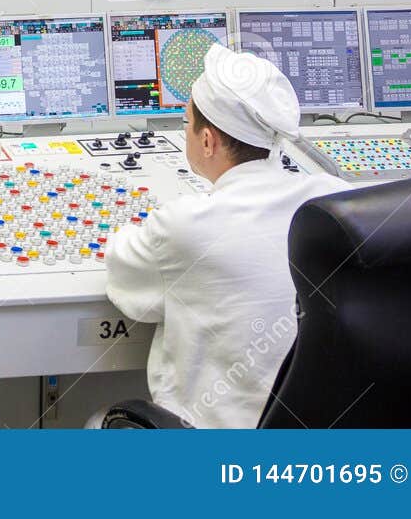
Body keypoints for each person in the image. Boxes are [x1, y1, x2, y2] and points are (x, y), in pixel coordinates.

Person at [104, 42, 345, 427]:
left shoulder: (185, 225)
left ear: (207, 140)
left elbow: (127, 283)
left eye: (186, 124)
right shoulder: (336, 202)